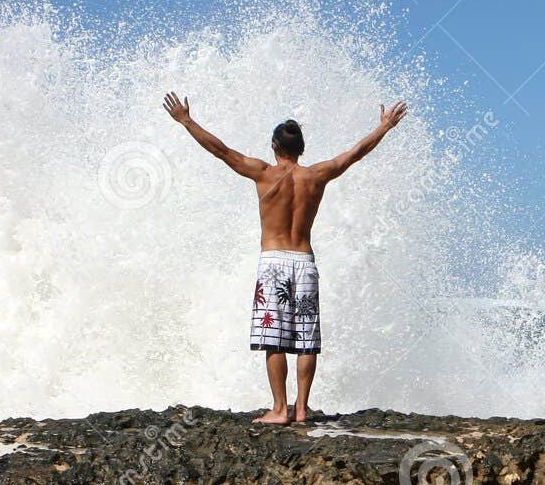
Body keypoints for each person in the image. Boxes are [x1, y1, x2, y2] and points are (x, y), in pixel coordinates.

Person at [162, 92, 409, 424]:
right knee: (306, 339)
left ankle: (280, 409)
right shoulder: (317, 175)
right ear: (301, 149)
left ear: (274, 146)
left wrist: (186, 121)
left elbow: (221, 151)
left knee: (274, 340)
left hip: (273, 264)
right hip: (304, 262)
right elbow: (354, 154)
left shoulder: (263, 173)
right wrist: (384, 127)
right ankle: (302, 408)